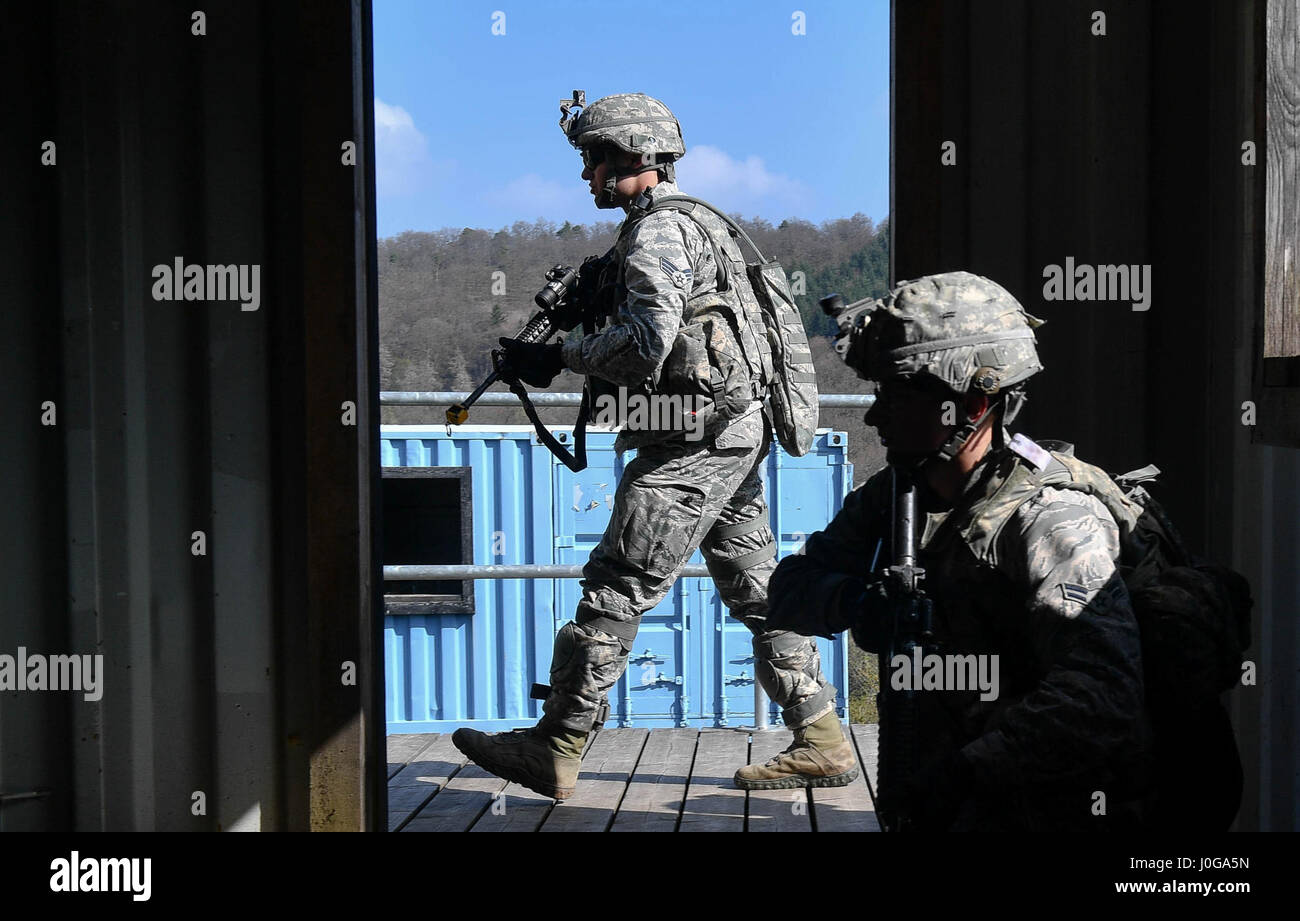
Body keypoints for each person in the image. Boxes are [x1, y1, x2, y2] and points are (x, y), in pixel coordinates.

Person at [452, 91, 857, 800]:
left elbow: (645, 345)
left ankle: (557, 743)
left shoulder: (660, 234)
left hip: (694, 443)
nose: (588, 178)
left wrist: (564, 357)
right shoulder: (701, 223)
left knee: (617, 582)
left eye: (594, 160)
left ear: (633, 156)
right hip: (731, 432)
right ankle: (822, 735)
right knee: (757, 588)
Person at [766, 271, 1154, 831]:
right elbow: (789, 591)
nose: (875, 417)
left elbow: (1102, 695)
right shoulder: (900, 490)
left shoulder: (1051, 519)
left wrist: (965, 774)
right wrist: (860, 603)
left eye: (898, 395)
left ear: (973, 403)